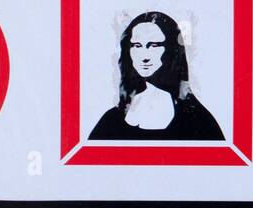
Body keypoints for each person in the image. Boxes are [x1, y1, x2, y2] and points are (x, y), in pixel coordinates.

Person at [88, 11, 225, 141]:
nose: (144, 57)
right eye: (137, 45)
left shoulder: (198, 120)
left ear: (172, 49)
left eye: (154, 45)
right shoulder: (112, 118)